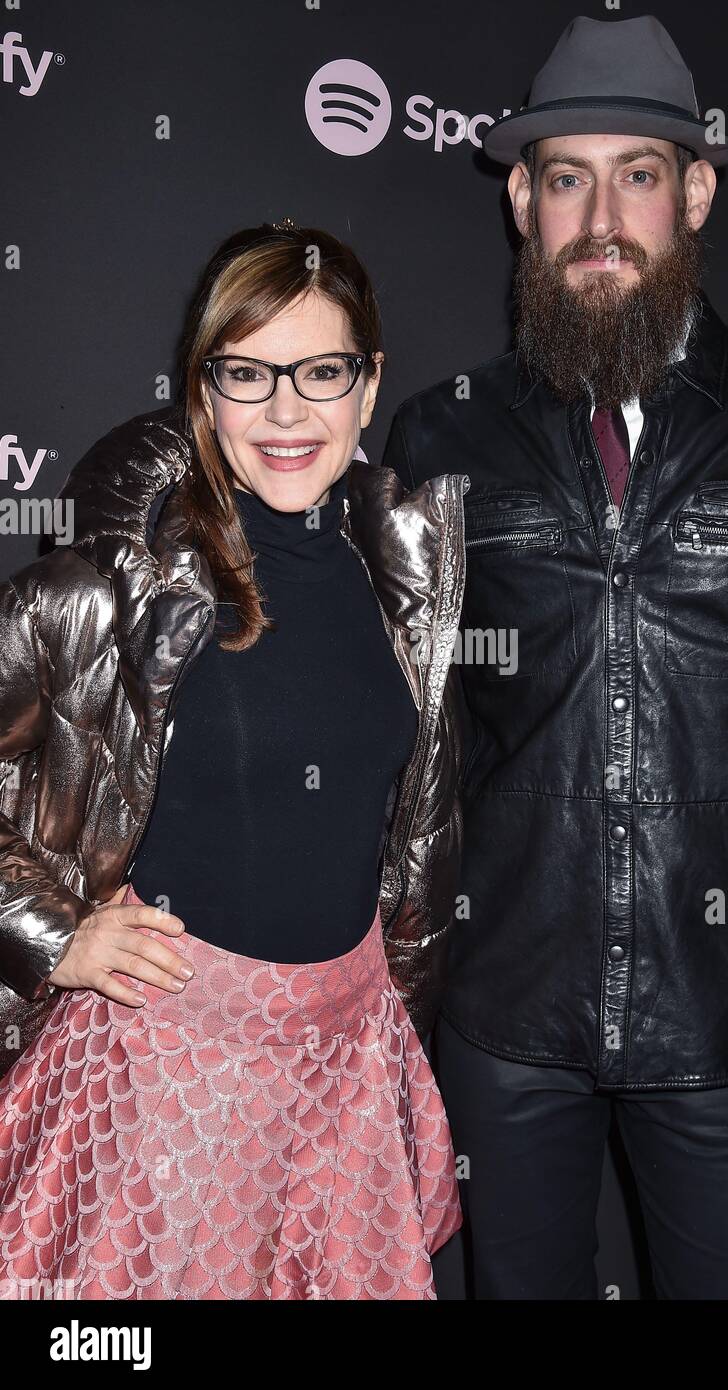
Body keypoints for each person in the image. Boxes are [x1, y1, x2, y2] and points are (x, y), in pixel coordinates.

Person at [381, 15, 728, 1299]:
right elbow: (399, 735)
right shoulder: (439, 433)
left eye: (639, 175)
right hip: (503, 1015)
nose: (602, 217)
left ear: (695, 193)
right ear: (522, 200)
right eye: (567, 177)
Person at [0, 220, 468, 1300]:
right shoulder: (108, 592)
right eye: (249, 374)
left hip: (343, 1069)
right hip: (162, 1081)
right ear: (203, 390)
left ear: (371, 381)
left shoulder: (408, 582)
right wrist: (55, 934)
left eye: (322, 370)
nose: (289, 410)